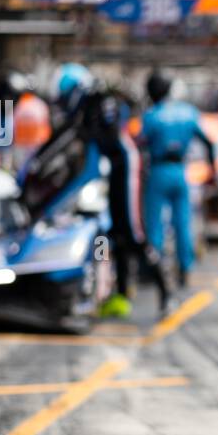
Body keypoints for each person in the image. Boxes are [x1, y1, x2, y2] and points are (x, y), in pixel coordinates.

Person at [50, 62, 168, 318]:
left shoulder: (102, 101)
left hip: (127, 167)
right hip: (110, 171)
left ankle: (166, 293)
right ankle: (120, 296)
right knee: (115, 235)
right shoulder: (86, 108)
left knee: (134, 233)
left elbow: (107, 135)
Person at [140, 68, 214, 289]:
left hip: (158, 172)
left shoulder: (151, 115)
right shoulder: (188, 112)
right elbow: (208, 142)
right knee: (182, 223)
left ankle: (156, 270)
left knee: (154, 224)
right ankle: (185, 268)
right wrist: (213, 169)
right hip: (181, 173)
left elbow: (140, 143)